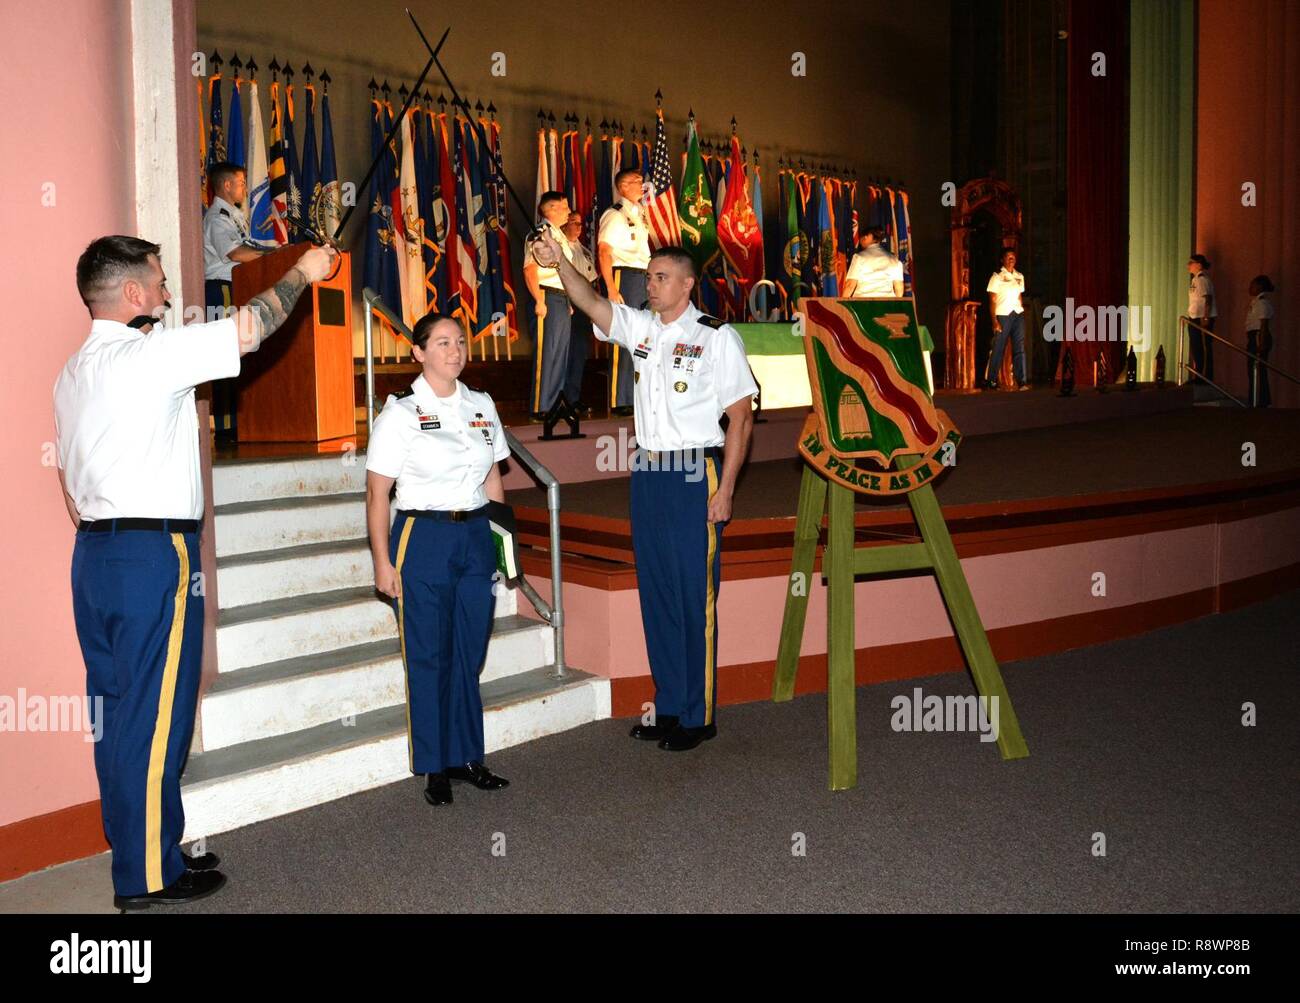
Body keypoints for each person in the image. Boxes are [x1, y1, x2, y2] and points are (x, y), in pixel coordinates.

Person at [55, 235, 337, 909]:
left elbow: (69, 483)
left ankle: (142, 852)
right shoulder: (150, 353)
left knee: (120, 718)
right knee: (157, 721)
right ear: (131, 294)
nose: (165, 288)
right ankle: (149, 876)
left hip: (95, 556)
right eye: (156, 278)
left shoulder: (72, 373)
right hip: (153, 555)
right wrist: (305, 268)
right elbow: (253, 326)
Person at [530, 231, 757, 751]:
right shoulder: (642, 329)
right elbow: (588, 300)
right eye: (649, 277)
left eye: (659, 278)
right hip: (649, 474)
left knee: (693, 597)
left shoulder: (716, 337)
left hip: (696, 473)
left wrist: (726, 493)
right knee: (656, 595)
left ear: (686, 283)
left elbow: (740, 418)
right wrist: (560, 262)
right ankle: (670, 706)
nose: (649, 285)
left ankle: (699, 716)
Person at [365, 313, 512, 806]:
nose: (455, 350)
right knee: (430, 654)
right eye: (442, 342)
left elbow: (493, 478)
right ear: (419, 353)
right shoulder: (401, 414)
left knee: (469, 650)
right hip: (422, 537)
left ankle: (467, 755)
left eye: (460, 341)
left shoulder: (481, 404)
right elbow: (376, 494)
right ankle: (434, 766)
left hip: (474, 534)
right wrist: (383, 564)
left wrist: (503, 547)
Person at [202, 162, 267, 440]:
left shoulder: (234, 215)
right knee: (226, 353)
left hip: (237, 287)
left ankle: (242, 425)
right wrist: (272, 258)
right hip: (222, 290)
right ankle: (227, 430)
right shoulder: (217, 217)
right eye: (241, 182)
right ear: (226, 185)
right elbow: (236, 254)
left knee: (239, 354)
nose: (244, 187)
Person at [598, 169, 651, 416]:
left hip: (642, 276)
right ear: (622, 187)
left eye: (642, 181)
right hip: (624, 276)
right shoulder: (615, 215)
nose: (642, 185)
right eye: (636, 182)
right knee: (623, 336)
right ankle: (620, 399)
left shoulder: (640, 215)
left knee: (642, 337)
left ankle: (635, 396)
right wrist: (610, 287)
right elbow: (604, 251)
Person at [523, 191, 575, 419]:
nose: (568, 211)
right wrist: (539, 300)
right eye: (564, 207)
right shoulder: (540, 235)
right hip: (547, 296)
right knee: (548, 353)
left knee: (560, 353)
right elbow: (530, 269)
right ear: (551, 209)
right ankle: (541, 406)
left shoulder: (559, 237)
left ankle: (554, 403)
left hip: (561, 297)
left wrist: (570, 301)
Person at [561, 210, 599, 417]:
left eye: (580, 224)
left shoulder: (584, 251)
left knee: (579, 355)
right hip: (566, 306)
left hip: (583, 309)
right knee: (564, 354)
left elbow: (591, 281)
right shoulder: (560, 248)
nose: (577, 227)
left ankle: (573, 399)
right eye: (573, 223)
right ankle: (560, 399)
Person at [984, 248, 1029, 391]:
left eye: (1013, 257)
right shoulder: (997, 277)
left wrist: (1021, 310)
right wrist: (994, 321)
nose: (1011, 259)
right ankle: (991, 380)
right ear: (1002, 260)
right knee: (998, 347)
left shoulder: (1019, 276)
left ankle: (1022, 381)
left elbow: (1020, 296)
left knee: (1019, 347)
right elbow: (992, 300)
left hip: (1017, 314)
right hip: (1003, 314)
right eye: (1008, 257)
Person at [842, 226, 903, 299]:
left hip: (863, 304)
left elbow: (850, 285)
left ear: (867, 237)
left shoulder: (859, 257)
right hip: (887, 304)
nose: (860, 242)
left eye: (862, 238)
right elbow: (899, 288)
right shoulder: (894, 259)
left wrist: (841, 306)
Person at [1245, 274, 1275, 407]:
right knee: (1253, 371)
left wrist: (1261, 342)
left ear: (1260, 286)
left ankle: (1260, 401)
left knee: (1257, 370)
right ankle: (1257, 399)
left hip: (1258, 336)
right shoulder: (1256, 301)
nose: (1250, 287)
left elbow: (1263, 324)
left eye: (1253, 285)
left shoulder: (1262, 302)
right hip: (1254, 336)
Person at [1187, 253, 1216, 384]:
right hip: (1195, 317)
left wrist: (1206, 316)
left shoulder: (1202, 279)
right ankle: (1198, 375)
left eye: (1191, 262)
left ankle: (1204, 377)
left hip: (1201, 318)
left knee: (1202, 347)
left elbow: (1207, 298)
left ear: (1199, 265)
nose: (1188, 265)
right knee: (1196, 347)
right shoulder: (1195, 279)